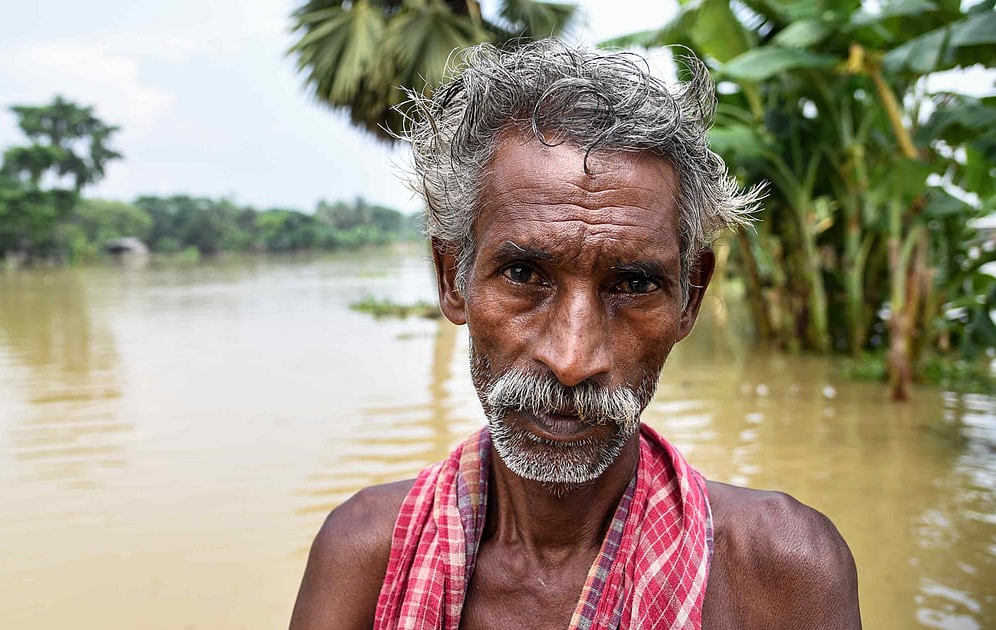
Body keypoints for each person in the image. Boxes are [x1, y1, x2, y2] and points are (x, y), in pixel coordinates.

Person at [290, 39, 860, 629]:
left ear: (691, 296)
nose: (572, 358)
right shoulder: (362, 556)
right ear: (451, 277)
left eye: (634, 284)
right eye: (523, 274)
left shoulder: (782, 572)